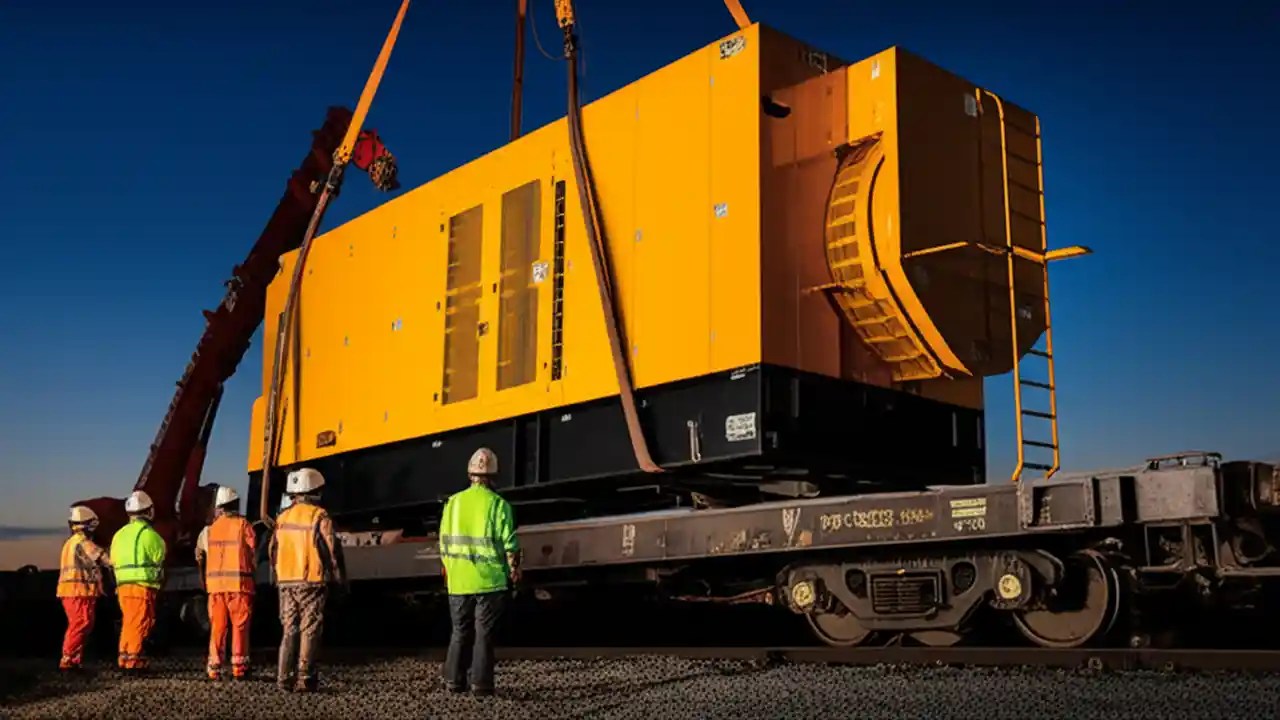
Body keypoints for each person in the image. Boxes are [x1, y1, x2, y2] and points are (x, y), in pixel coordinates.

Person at [439, 447, 521, 696]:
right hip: (490, 581)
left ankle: (453, 681)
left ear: (470, 474)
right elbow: (510, 545)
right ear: (493, 476)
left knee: (459, 631)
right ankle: (481, 685)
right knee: (483, 633)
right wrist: (515, 572)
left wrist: (449, 571)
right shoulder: (499, 504)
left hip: (459, 580)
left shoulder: (452, 503)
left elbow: (443, 543)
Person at [269, 467, 345, 693]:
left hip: (286, 582)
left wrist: (277, 576)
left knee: (288, 629)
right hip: (311, 580)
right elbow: (332, 550)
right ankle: (305, 678)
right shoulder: (319, 516)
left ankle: (283, 679)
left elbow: (273, 550)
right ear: (314, 490)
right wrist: (339, 577)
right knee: (309, 628)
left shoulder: (281, 518)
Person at [196, 485, 257, 680]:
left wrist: (204, 580)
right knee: (240, 627)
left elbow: (199, 556)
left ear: (219, 507)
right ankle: (239, 668)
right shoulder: (244, 525)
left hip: (215, 589)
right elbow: (254, 552)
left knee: (217, 628)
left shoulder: (208, 531)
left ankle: (214, 668)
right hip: (239, 587)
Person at [109, 490, 167, 672]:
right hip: (142, 585)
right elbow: (160, 561)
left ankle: (124, 657)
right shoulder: (152, 536)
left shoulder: (118, 535)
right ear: (149, 511)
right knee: (141, 622)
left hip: (123, 586)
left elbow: (112, 562)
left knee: (129, 621)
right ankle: (134, 661)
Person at [56, 506, 112, 671]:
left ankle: (73, 660)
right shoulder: (83, 542)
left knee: (80, 624)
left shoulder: (69, 543)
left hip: (70, 591)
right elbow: (104, 559)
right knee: (81, 624)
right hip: (78, 590)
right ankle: (68, 660)